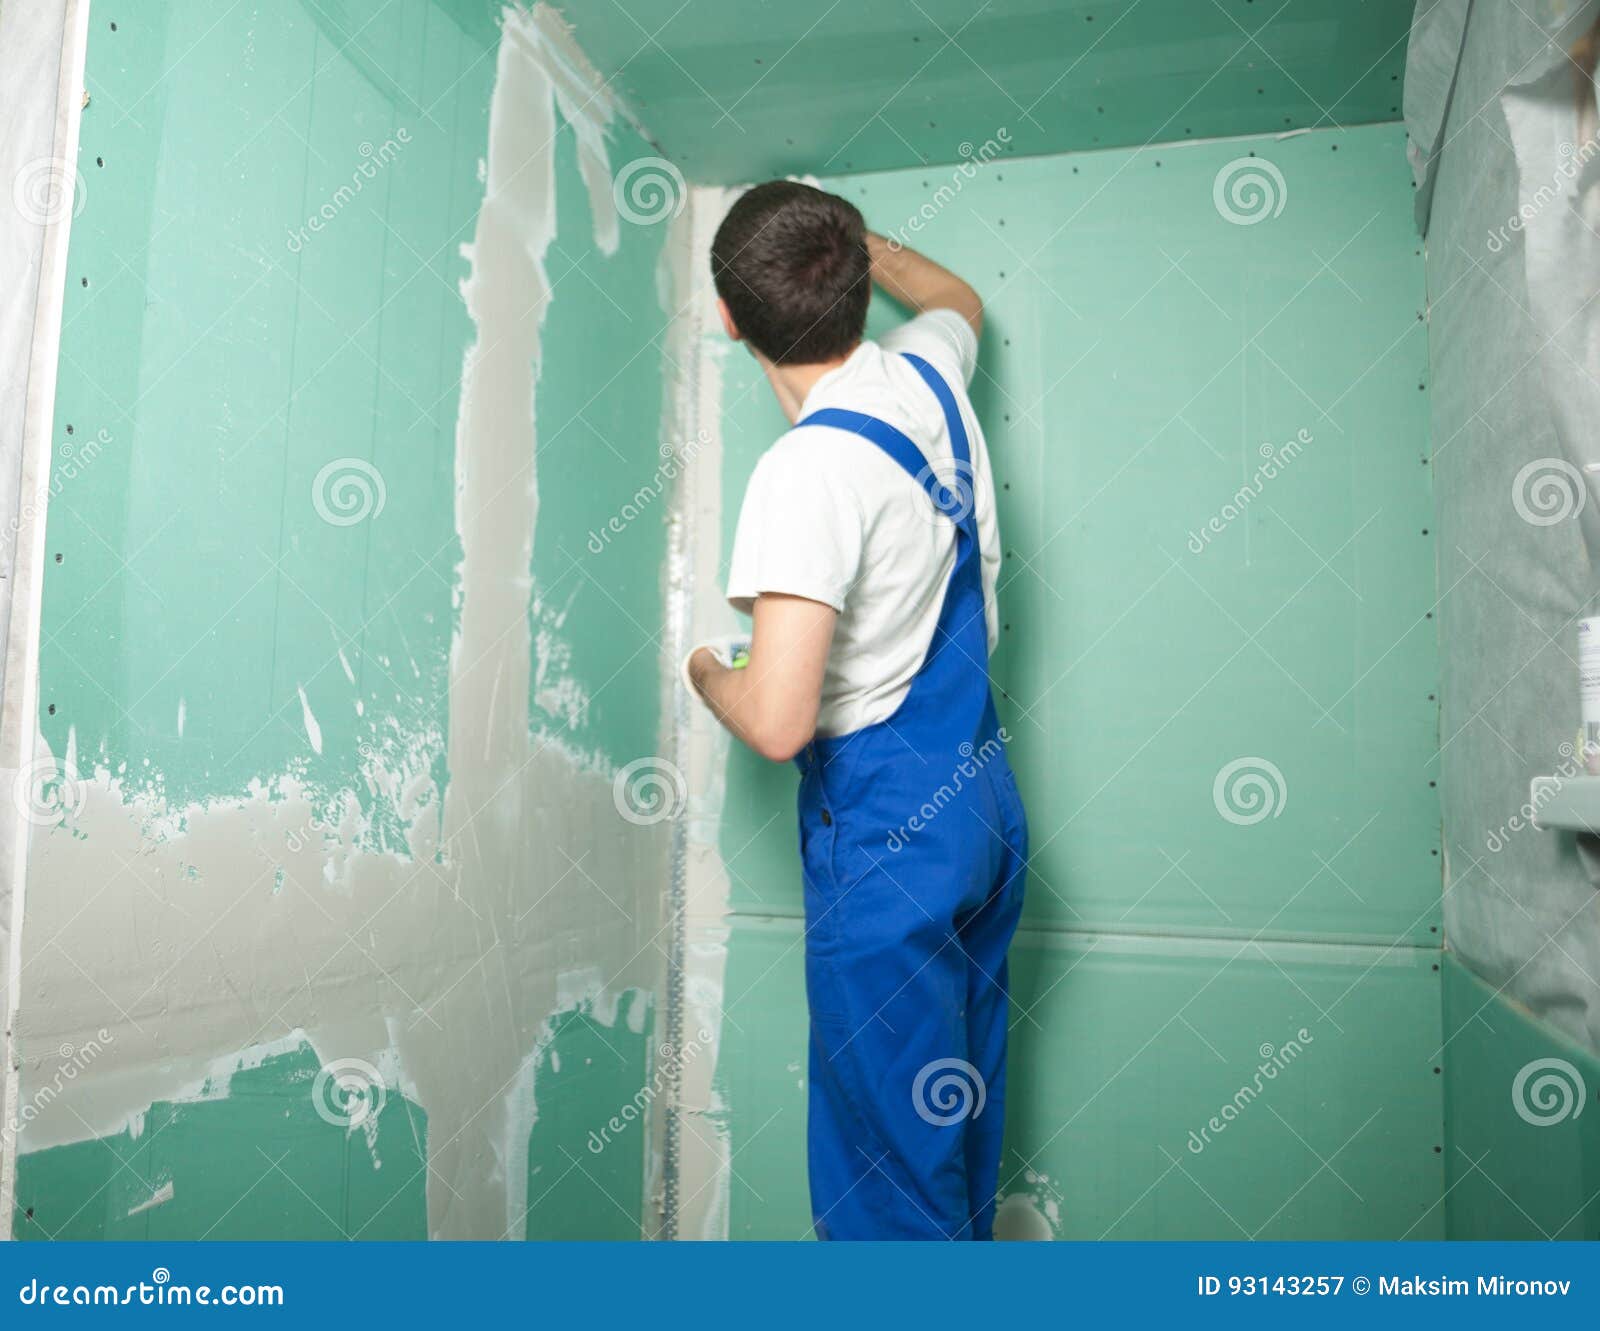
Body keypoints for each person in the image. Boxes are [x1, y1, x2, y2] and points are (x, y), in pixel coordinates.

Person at [684, 181, 1029, 1240]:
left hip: (888, 838)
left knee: (887, 1188)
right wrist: (843, 244)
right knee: (952, 1139)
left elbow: (777, 721)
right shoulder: (925, 374)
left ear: (730, 318)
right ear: (857, 279)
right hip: (979, 807)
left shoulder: (805, 471)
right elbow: (960, 298)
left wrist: (706, 667)